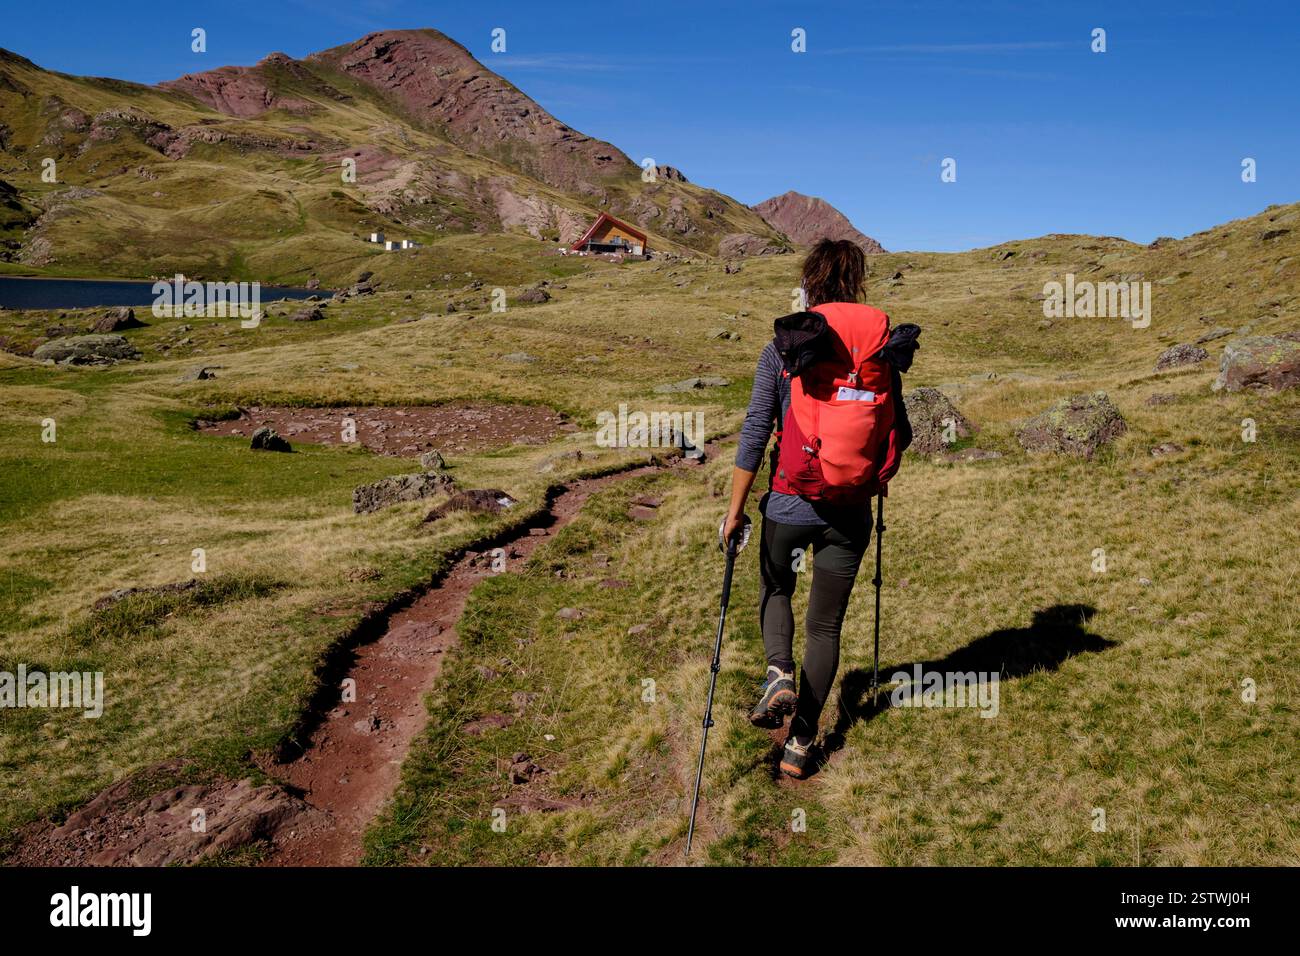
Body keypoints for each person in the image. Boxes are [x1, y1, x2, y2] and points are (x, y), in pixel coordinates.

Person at [722, 238, 916, 778]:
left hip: (788, 500)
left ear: (810, 282)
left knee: (776, 586)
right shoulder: (879, 350)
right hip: (851, 510)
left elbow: (757, 429)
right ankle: (802, 744)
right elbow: (900, 429)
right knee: (825, 628)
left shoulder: (784, 346)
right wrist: (874, 471)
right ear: (856, 282)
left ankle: (779, 672)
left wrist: (736, 509)